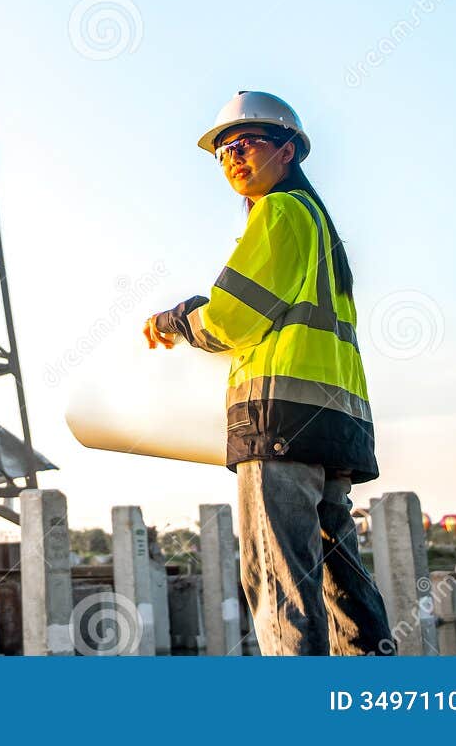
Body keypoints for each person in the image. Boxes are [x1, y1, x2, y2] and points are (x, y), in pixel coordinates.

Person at [143, 91, 392, 656]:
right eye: (223, 150)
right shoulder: (319, 227)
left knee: (280, 581)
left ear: (287, 152)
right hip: (333, 426)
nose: (233, 156)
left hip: (280, 420)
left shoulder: (280, 212)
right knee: (339, 576)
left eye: (246, 143)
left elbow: (231, 318)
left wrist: (180, 319)